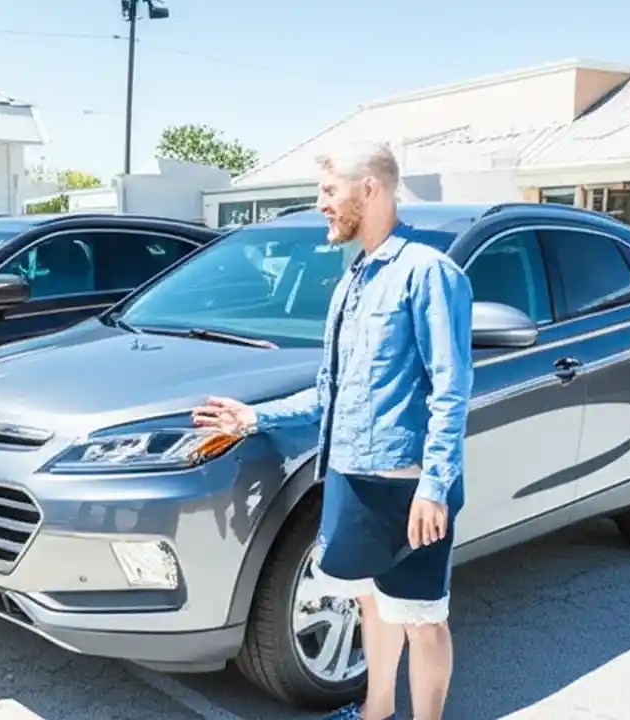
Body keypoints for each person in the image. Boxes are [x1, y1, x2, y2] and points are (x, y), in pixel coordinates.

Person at [192, 142, 472, 720]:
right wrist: (254, 416)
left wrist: (435, 486)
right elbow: (333, 392)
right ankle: (376, 712)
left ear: (369, 189)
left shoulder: (428, 273)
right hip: (350, 474)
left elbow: (451, 388)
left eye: (328, 191)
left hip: (407, 482)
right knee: (372, 602)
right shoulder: (354, 281)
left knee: (422, 618)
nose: (321, 204)